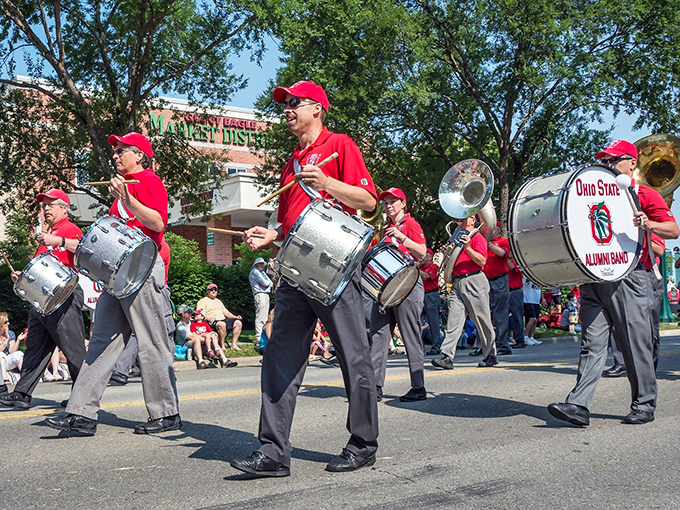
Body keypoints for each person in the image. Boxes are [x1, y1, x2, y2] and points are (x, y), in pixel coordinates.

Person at [232, 80, 379, 477]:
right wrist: (270, 235)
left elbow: (369, 202)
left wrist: (328, 183)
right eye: (286, 104)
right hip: (296, 269)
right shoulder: (291, 163)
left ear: (318, 108)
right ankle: (273, 453)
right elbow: (287, 223)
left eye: (295, 103)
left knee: (352, 354)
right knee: (279, 357)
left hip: (337, 266)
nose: (287, 109)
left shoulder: (340, 145)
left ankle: (363, 443)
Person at [45, 132, 180, 436]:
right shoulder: (119, 191)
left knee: (151, 342)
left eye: (122, 151)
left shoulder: (148, 181)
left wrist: (127, 199)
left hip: (143, 268)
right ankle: (81, 412)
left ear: (140, 155)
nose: (116, 156)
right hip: (117, 272)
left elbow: (158, 223)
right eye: (115, 152)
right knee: (102, 342)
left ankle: (166, 413)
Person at [548, 139, 679, 426]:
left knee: (635, 344)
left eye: (612, 160)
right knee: (591, 343)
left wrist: (650, 224)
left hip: (630, 276)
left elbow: (673, 229)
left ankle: (644, 403)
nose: (605, 166)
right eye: (603, 161)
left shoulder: (644, 193)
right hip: (594, 276)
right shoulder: (590, 194)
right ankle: (578, 405)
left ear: (631, 162)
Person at [0, 189, 86, 410]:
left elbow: (85, 249)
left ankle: (84, 396)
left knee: (73, 349)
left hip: (64, 296)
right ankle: (22, 393)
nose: (46, 209)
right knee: (35, 347)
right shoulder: (48, 234)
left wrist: (58, 239)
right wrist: (22, 276)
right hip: (42, 299)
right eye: (44, 205)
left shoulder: (68, 229)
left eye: (51, 204)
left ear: (64, 208)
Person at [369, 187, 428, 403]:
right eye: (385, 202)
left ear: (404, 203)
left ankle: (418, 386)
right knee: (378, 333)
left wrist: (402, 237)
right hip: (387, 286)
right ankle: (375, 386)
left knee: (410, 334)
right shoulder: (387, 228)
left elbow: (422, 252)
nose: (388, 205)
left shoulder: (409, 224)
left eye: (393, 201)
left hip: (408, 283)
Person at [431, 214, 498, 370]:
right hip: (457, 281)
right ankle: (447, 356)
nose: (458, 221)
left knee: (482, 320)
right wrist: (446, 254)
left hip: (474, 279)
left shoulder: (477, 237)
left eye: (463, 219)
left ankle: (490, 354)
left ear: (473, 220)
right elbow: (449, 261)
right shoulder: (457, 237)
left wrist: (467, 247)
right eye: (458, 219)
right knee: (453, 320)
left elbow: (482, 261)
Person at [482, 223, 512, 355]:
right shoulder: (483, 242)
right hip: (485, 281)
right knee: (484, 314)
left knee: (500, 315)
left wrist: (488, 243)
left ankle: (503, 345)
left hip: (499, 280)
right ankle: (484, 346)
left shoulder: (503, 241)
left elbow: (502, 253)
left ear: (498, 230)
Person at [196, 284, 244, 351]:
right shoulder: (202, 301)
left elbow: (226, 313)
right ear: (207, 291)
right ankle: (222, 346)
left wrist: (235, 317)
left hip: (223, 320)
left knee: (238, 323)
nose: (214, 291)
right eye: (211, 290)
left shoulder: (218, 301)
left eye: (215, 290)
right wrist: (206, 318)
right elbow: (199, 313)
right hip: (211, 322)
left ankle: (233, 345)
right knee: (222, 324)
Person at [419, 249, 442, 355]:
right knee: (416, 321)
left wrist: (415, 269)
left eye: (424, 256)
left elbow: (427, 276)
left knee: (433, 322)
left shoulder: (434, 267)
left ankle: (436, 346)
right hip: (420, 294)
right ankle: (419, 347)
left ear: (430, 257)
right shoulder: (419, 268)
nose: (422, 258)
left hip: (431, 294)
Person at [249, 257, 273, 346]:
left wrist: (266, 284)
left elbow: (270, 283)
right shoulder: (255, 272)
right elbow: (266, 283)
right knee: (260, 316)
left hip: (265, 294)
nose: (262, 265)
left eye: (262, 264)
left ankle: (261, 337)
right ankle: (258, 338)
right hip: (260, 294)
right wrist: (265, 284)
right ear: (256, 264)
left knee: (265, 316)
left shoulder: (262, 272)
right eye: (260, 263)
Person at [0, 314, 24, 391]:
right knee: (1, 354)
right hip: (0, 360)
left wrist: (18, 340)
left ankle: (25, 375)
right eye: (6, 322)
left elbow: (12, 351)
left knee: (19, 353)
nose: (8, 324)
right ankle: (4, 378)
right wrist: (6, 339)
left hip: (6, 360)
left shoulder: (10, 333)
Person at [507, 258, 526, 348]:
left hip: (515, 291)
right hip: (505, 291)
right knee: (501, 318)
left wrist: (503, 258)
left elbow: (512, 267)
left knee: (517, 317)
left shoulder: (517, 261)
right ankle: (503, 340)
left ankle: (520, 340)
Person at [522, 276, 542, 346]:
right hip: (529, 300)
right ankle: (525, 336)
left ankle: (531, 336)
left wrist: (543, 299)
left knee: (536, 319)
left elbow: (540, 288)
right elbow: (525, 281)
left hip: (536, 300)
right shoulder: (526, 275)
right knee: (532, 318)